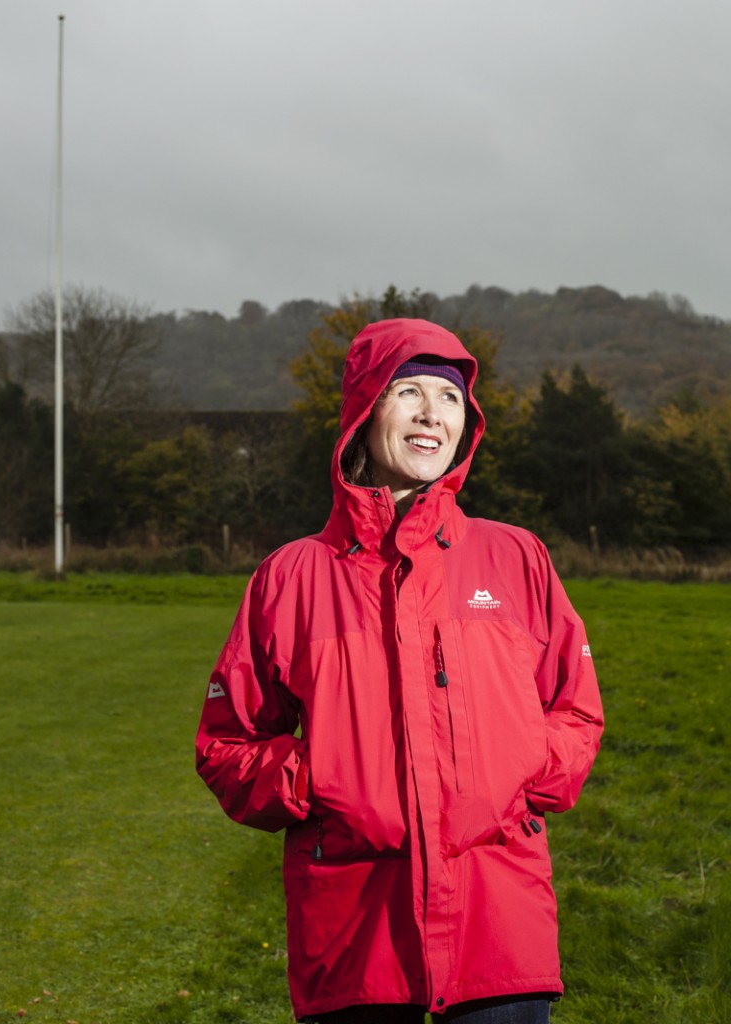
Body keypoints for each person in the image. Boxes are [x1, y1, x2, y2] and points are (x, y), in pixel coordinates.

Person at [196, 318, 604, 1023]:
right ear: (363, 414)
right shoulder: (292, 576)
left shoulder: (516, 558)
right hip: (355, 936)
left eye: (447, 399)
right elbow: (226, 742)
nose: (429, 415)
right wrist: (314, 775)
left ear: (466, 423)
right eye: (406, 392)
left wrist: (525, 766)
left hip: (499, 926)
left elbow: (576, 709)